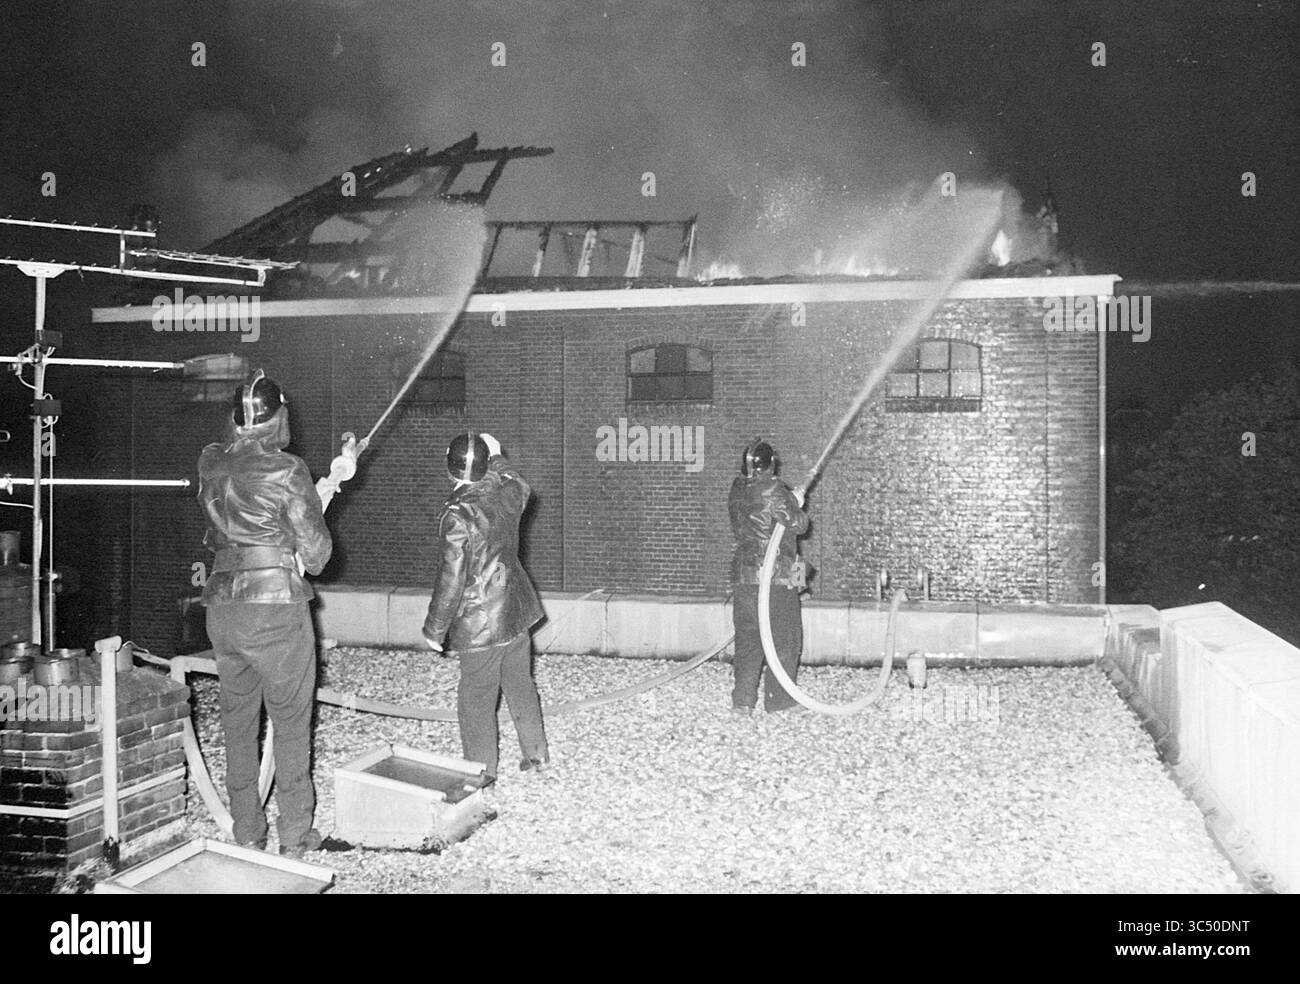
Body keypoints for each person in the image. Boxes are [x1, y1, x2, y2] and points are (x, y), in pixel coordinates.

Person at [197, 369, 332, 857]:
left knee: (237, 720)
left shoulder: (210, 463)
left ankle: (247, 830)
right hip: (275, 611)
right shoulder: (289, 469)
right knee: (292, 721)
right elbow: (317, 554)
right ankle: (295, 835)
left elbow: (239, 491)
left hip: (223, 608)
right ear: (278, 419)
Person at [423, 432, 549, 783]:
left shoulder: (457, 515)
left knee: (476, 698)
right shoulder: (506, 494)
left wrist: (435, 629)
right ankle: (536, 754)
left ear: (450, 470)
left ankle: (481, 773)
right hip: (515, 611)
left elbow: (451, 579)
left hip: (480, 625)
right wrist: (497, 456)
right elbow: (519, 482)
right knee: (520, 683)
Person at [728, 438, 810, 715]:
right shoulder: (774, 489)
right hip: (774, 578)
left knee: (748, 640)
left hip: (744, 578)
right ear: (770, 464)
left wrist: (789, 498)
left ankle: (742, 702)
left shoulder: (737, 488)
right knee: (785, 639)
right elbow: (799, 524)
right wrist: (795, 501)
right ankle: (780, 701)